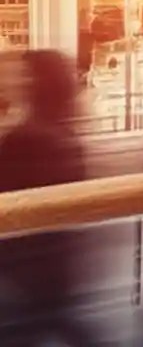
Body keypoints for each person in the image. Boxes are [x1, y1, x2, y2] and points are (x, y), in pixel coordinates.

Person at [0, 50, 97, 346]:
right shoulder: (60, 132)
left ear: (34, 82)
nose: (10, 80)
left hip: (23, 268)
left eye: (20, 73)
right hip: (51, 266)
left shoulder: (28, 138)